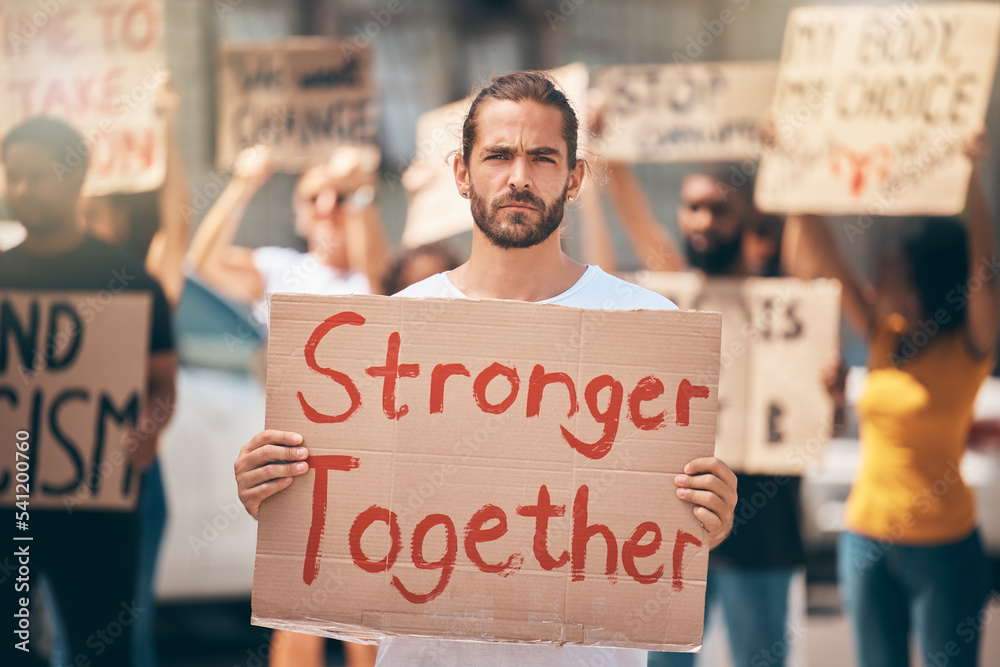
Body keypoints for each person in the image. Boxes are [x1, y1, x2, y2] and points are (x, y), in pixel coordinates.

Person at [233, 70, 738, 667]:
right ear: (461, 172)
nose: (519, 178)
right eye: (498, 155)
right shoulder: (393, 332)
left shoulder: (645, 329)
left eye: (543, 158)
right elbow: (338, 522)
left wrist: (709, 512)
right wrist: (275, 488)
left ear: (575, 179)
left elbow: (669, 518)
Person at [783, 131, 997, 667]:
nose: (880, 272)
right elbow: (820, 249)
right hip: (865, 542)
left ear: (926, 283)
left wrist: (971, 177)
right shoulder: (885, 334)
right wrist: (792, 159)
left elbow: (983, 274)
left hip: (944, 547)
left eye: (893, 269)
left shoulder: (969, 350)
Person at [190, 146, 388, 667]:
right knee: (297, 609)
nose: (327, 207)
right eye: (314, 197)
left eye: (339, 198)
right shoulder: (283, 269)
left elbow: (377, 280)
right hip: (296, 461)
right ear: (297, 213)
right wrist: (243, 182)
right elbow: (204, 261)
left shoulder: (376, 274)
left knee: (362, 616)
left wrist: (359, 192)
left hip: (367, 463)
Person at [0, 117, 177, 666]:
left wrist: (144, 435)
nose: (22, 188)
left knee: (101, 645)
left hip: (96, 510)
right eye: (14, 175)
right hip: (12, 510)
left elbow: (162, 386)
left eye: (37, 176)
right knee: (14, 645)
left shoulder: (126, 279)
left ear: (76, 177)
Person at [71, 74, 191, 667]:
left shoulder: (139, 282)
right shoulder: (23, 275)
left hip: (126, 473)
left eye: (107, 206)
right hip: (40, 477)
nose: (95, 214)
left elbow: (177, 228)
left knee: (123, 630)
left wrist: (164, 125)